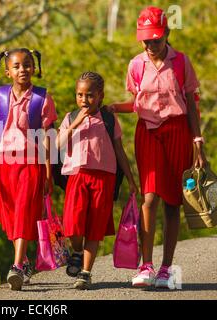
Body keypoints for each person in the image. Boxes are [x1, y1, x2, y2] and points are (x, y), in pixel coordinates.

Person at [107, 6, 207, 288]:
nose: (151, 45)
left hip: (178, 132)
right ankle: (146, 264)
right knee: (149, 197)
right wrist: (114, 107)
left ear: (167, 34)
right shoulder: (136, 65)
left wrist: (198, 142)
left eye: (156, 40)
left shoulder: (181, 63)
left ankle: (166, 268)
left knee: (173, 201)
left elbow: (191, 105)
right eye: (146, 40)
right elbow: (138, 104)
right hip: (147, 132)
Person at [0, 48, 57, 291]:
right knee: (10, 217)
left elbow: (47, 138)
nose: (23, 70)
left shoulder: (42, 98)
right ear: (8, 71)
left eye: (27, 65)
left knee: (22, 212)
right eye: (17, 66)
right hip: (3, 165)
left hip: (31, 164)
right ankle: (26, 262)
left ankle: (17, 266)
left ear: (34, 68)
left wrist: (49, 172)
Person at [57, 71, 138, 290]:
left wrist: (131, 180)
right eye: (80, 95)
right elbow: (56, 145)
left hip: (104, 178)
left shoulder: (110, 119)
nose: (84, 100)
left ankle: (85, 272)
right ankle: (76, 251)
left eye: (90, 95)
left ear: (100, 96)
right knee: (73, 226)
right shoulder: (70, 117)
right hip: (77, 176)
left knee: (94, 227)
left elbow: (119, 151)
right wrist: (77, 123)